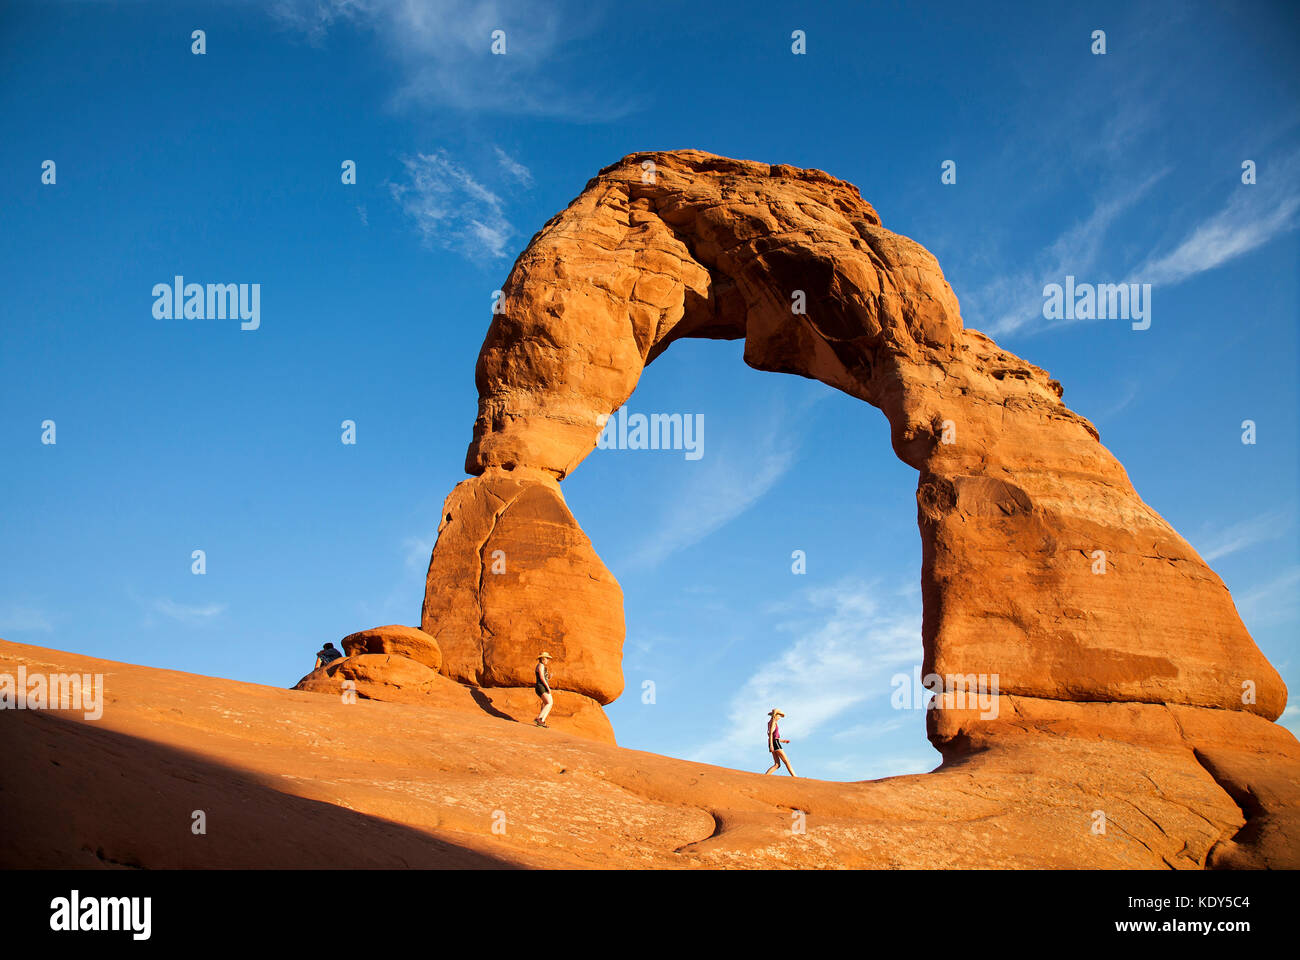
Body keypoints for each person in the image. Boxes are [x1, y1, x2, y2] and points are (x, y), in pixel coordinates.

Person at [764, 708, 796, 776]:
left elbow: (773, 736)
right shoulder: (773, 722)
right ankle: (795, 777)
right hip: (774, 743)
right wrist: (772, 745)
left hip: (773, 742)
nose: (779, 717)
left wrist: (783, 741)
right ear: (776, 715)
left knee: (777, 764)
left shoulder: (770, 722)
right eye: (779, 715)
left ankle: (765, 776)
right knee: (786, 761)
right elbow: (770, 734)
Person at [533, 651, 554, 727]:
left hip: (542, 686)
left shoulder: (542, 666)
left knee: (548, 703)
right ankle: (538, 718)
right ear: (543, 659)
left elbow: (544, 677)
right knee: (549, 702)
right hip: (541, 686)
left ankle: (542, 721)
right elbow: (541, 677)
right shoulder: (540, 666)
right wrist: (548, 687)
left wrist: (549, 677)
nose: (547, 660)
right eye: (547, 658)